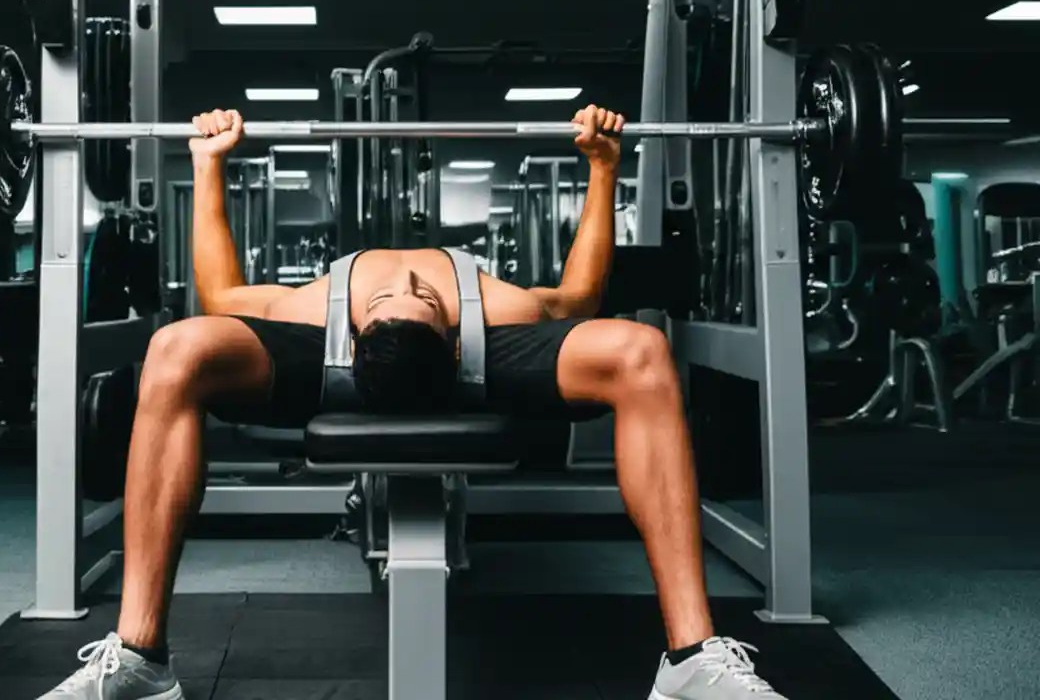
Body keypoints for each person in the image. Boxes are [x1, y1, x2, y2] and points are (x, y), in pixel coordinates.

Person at [41, 106, 789, 700]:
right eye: (414, 297)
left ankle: (691, 660)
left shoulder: (344, 307)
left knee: (639, 350)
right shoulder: (479, 306)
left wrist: (210, 166)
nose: (409, 286)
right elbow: (574, 294)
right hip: (345, 364)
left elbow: (229, 293)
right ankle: (140, 657)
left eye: (414, 295)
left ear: (372, 321)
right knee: (176, 349)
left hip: (411, 358)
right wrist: (602, 168)